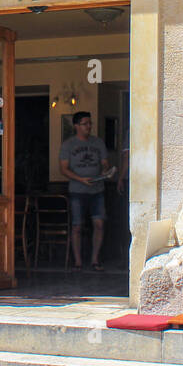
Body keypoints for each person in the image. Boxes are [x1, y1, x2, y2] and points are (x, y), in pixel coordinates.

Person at [59, 111, 110, 270]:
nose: (89, 126)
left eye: (90, 123)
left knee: (99, 223)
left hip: (97, 189)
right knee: (77, 226)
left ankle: (95, 259)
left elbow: (105, 162)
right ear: (76, 126)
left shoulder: (98, 143)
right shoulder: (68, 145)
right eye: (85, 123)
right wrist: (80, 179)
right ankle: (78, 261)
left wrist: (104, 170)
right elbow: (63, 169)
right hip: (77, 190)